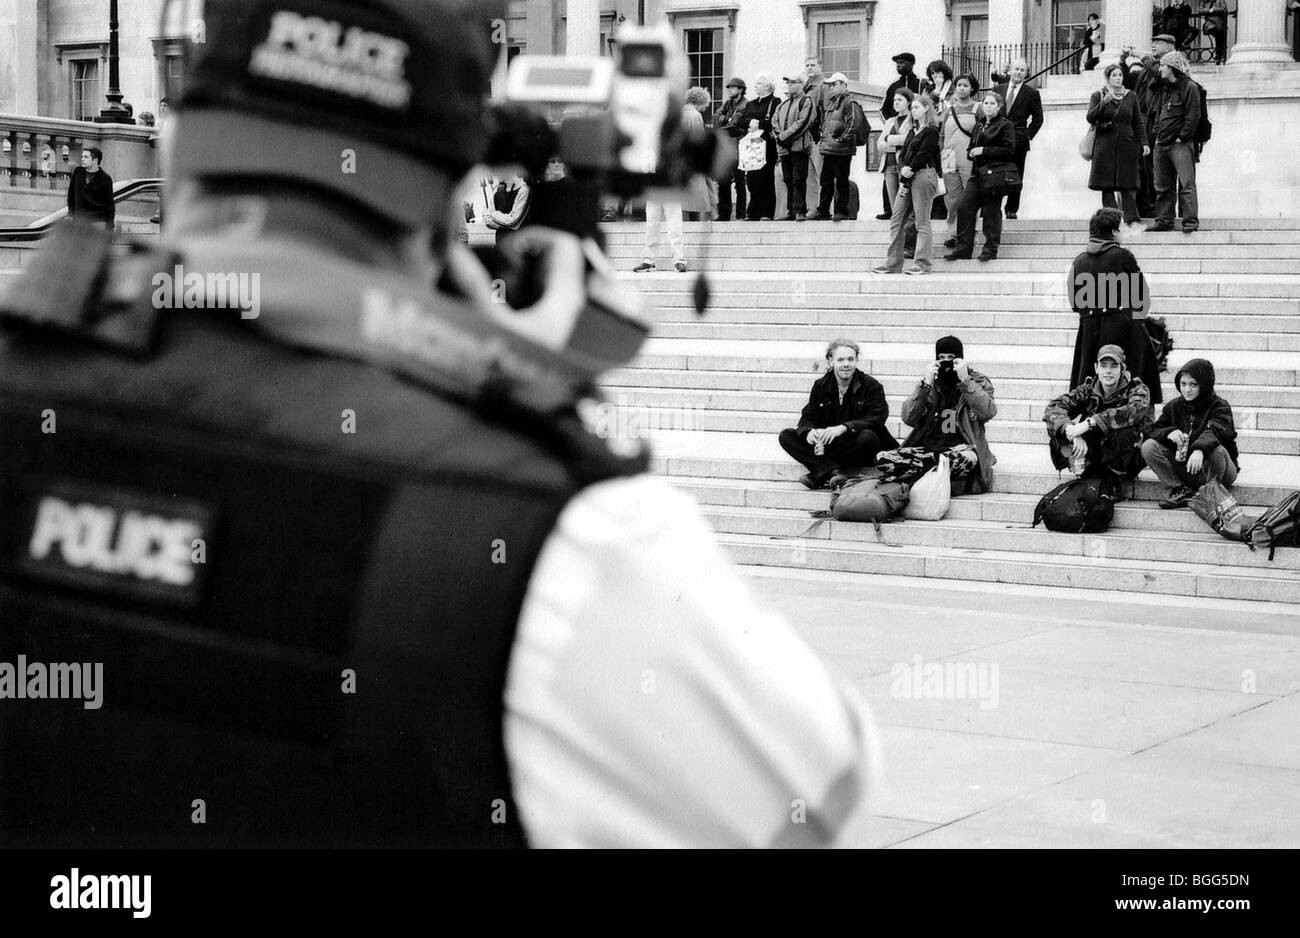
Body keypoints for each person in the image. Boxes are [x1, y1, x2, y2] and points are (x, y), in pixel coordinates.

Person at [0, 0, 880, 850]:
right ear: (452, 195)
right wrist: (538, 392)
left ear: (181, 143)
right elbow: (815, 791)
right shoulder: (557, 533)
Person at [875, 336, 997, 494]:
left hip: (959, 450)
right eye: (941, 358)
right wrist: (926, 384)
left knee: (969, 460)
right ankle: (936, 473)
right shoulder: (931, 383)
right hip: (929, 450)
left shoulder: (977, 382)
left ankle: (918, 474)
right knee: (883, 458)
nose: (946, 362)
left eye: (951, 358)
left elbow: (988, 412)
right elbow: (908, 418)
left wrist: (965, 380)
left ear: (960, 359)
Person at [1068, 208, 1163, 404]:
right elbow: (1141, 298)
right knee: (1136, 393)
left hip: (1090, 335)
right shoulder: (1123, 256)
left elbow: (1075, 303)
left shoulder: (1078, 262)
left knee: (1091, 394)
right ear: (1113, 232)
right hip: (1126, 332)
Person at [778, 339, 899, 489]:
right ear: (830, 361)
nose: (846, 364)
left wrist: (844, 427)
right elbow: (808, 416)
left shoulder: (871, 386)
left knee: (868, 437)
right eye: (840, 359)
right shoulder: (821, 385)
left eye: (850, 359)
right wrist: (810, 432)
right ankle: (831, 472)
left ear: (856, 360)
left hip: (858, 445)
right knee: (787, 436)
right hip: (832, 445)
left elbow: (877, 419)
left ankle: (822, 472)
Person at [1044, 345, 1152, 483]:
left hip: (1125, 457)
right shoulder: (1087, 390)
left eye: (1113, 366)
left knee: (1125, 434)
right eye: (1103, 365)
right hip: (1098, 451)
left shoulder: (1137, 390)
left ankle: (1114, 478)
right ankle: (1086, 468)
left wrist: (1092, 422)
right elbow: (1054, 407)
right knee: (1060, 431)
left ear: (1122, 369)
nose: (1108, 371)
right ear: (1096, 368)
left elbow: (1134, 410)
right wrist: (1071, 431)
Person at [1142, 359, 1239, 509]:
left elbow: (1216, 430)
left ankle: (1212, 493)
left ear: (1204, 385)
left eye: (1193, 384)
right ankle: (1178, 489)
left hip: (1218, 469)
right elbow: (1152, 430)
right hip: (1186, 467)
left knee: (1217, 451)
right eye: (1183, 384)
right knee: (1149, 446)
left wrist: (1199, 449)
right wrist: (1169, 432)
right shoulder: (1174, 406)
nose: (1187, 390)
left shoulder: (1220, 406)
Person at [873, 93, 940, 275]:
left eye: (917, 107)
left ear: (926, 108)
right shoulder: (912, 131)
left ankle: (922, 263)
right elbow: (902, 155)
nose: (913, 110)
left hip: (923, 174)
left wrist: (909, 169)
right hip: (908, 177)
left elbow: (924, 153)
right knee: (897, 219)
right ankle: (893, 263)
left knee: (921, 221)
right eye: (913, 107)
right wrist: (903, 168)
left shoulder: (931, 130)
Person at [946, 90, 1017, 262]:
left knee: (992, 212)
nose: (989, 106)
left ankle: (990, 249)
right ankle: (964, 248)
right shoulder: (979, 125)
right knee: (964, 207)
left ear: (999, 106)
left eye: (992, 103)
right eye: (986, 103)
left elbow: (1009, 151)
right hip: (977, 173)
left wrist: (984, 150)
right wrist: (971, 152)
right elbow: (972, 146)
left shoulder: (1005, 125)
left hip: (995, 174)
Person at [1087, 64, 1149, 226]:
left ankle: (1132, 220)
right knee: (1106, 185)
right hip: (1104, 145)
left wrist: (1144, 143)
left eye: (1120, 75)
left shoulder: (1131, 96)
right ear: (1108, 78)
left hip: (1127, 145)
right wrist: (1104, 103)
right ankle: (1112, 221)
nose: (1118, 78)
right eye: (1114, 75)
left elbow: (1137, 122)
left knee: (1127, 184)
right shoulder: (1098, 95)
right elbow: (1090, 117)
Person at [1147, 50, 1201, 234]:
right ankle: (1163, 220)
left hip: (1179, 143)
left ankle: (1190, 221)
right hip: (1161, 143)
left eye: (1163, 65)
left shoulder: (1189, 87)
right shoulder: (1164, 89)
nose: (1160, 69)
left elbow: (1193, 116)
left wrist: (1183, 136)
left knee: (1186, 184)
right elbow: (1159, 113)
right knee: (1162, 185)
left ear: (1172, 68)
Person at [1124, 34, 1177, 217]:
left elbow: (1158, 73)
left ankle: (1157, 208)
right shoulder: (1150, 66)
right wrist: (1126, 62)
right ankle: (1143, 207)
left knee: (1155, 168)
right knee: (1141, 167)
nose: (1154, 45)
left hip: (1155, 121)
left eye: (1159, 43)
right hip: (1141, 119)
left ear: (1170, 47)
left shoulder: (1169, 64)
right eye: (1153, 42)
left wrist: (1143, 57)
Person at [993, 58, 1044, 219]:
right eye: (1016, 69)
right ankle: (995, 207)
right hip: (997, 138)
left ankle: (1011, 209)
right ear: (1010, 71)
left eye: (1022, 70)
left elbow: (1038, 118)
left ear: (1026, 73)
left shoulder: (1031, 93)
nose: (1018, 72)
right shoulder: (998, 90)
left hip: (1018, 140)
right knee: (996, 172)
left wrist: (1027, 135)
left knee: (1016, 174)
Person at [878, 53, 921, 219]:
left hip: (905, 159)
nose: (899, 66)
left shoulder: (919, 84)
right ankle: (888, 210)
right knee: (889, 188)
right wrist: (889, 127)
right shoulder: (893, 86)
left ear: (911, 64)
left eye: (902, 63)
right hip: (890, 156)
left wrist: (891, 138)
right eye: (897, 63)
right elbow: (883, 109)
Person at [811, 73, 858, 222]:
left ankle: (841, 210)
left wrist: (841, 139)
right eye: (829, 85)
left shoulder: (850, 102)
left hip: (842, 150)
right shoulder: (832, 103)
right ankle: (823, 210)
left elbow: (853, 124)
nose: (831, 87)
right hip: (829, 148)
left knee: (842, 181)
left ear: (844, 85)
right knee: (826, 181)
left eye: (834, 84)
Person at [940, 74, 980, 246]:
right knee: (953, 198)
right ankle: (953, 233)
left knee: (970, 197)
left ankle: (971, 231)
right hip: (949, 158)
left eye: (965, 85)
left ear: (972, 88)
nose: (962, 88)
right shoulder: (949, 111)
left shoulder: (978, 108)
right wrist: (942, 151)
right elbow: (941, 135)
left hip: (969, 159)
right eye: (959, 85)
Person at [773, 74, 816, 220]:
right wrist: (779, 136)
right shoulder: (782, 105)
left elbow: (803, 123)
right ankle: (791, 209)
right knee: (788, 179)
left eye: (793, 82)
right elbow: (775, 122)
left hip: (799, 148)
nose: (790, 85)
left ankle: (799, 210)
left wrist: (784, 137)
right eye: (788, 83)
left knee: (799, 179)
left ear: (801, 84)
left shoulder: (806, 101)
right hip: (784, 150)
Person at [739, 75, 780, 221]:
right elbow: (742, 120)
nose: (755, 86)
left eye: (759, 83)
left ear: (768, 86)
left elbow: (775, 121)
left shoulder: (775, 102)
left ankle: (766, 212)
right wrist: (750, 122)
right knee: (751, 179)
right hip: (752, 145)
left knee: (766, 178)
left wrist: (760, 124)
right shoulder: (750, 104)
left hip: (767, 145)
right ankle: (753, 212)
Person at [877, 88, 915, 231]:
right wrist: (895, 144)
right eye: (895, 100)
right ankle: (897, 235)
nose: (896, 102)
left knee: (905, 202)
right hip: (889, 164)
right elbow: (880, 144)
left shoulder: (912, 119)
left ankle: (908, 237)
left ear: (908, 102)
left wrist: (890, 139)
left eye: (900, 100)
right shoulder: (890, 121)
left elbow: (909, 140)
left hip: (904, 165)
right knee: (894, 205)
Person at [713, 77, 749, 221]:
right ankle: (724, 214)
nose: (729, 90)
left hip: (738, 147)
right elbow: (715, 118)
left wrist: (725, 122)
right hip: (725, 148)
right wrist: (724, 120)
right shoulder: (727, 103)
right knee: (723, 181)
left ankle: (741, 214)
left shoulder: (745, 104)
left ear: (740, 89)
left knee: (740, 182)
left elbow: (734, 126)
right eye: (728, 88)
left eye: (732, 87)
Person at [802, 56, 831, 216]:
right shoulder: (805, 87)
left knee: (823, 174)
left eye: (813, 65)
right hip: (804, 137)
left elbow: (826, 110)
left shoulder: (823, 85)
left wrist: (823, 133)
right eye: (807, 65)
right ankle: (812, 208)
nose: (809, 68)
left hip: (817, 136)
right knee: (809, 176)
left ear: (820, 66)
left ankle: (827, 208)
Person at [66, 146, 115, 230]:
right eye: (82, 157)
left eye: (86, 157)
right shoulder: (78, 172)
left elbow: (110, 205)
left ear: (95, 160)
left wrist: (109, 227)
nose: (82, 159)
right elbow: (71, 195)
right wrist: (71, 214)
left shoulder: (105, 179)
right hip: (79, 221)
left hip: (97, 222)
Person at [1201, 0, 1229, 65]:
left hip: (1220, 24)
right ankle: (1218, 56)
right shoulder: (1205, 2)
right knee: (1218, 35)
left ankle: (1219, 56)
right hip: (1210, 24)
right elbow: (1200, 10)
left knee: (1219, 38)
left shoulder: (1220, 1)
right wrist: (1209, 10)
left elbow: (1223, 9)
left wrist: (1213, 10)